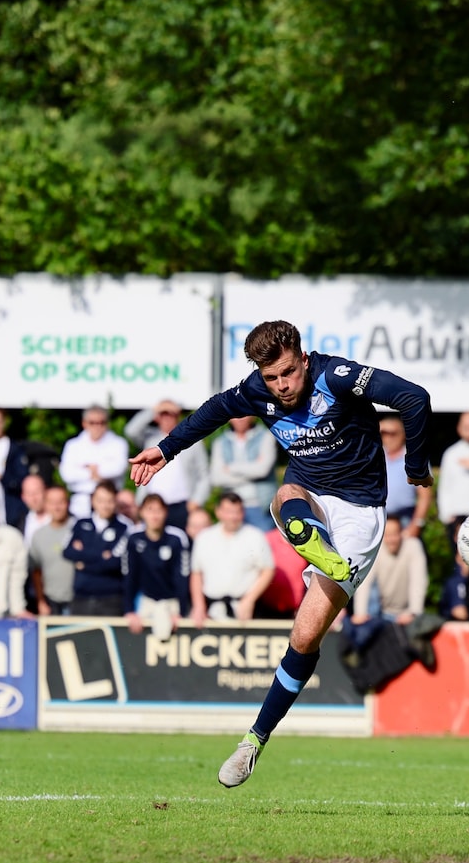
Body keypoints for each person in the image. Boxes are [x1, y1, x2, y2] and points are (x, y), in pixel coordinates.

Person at [131, 318, 431, 787]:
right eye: (272, 378)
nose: (282, 385)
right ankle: (249, 744)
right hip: (308, 493)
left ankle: (259, 733)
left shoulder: (338, 377)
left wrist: (414, 466)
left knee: (304, 638)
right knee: (283, 495)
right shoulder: (257, 390)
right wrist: (166, 450)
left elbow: (415, 398)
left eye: (288, 373)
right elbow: (213, 411)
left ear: (304, 359)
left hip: (358, 514)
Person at [189, 492, 275, 625]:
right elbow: (196, 574)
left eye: (238, 512)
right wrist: (198, 605)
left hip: (245, 611)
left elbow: (268, 570)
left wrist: (249, 600)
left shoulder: (255, 536)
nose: (234, 517)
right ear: (218, 512)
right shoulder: (204, 537)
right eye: (229, 512)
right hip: (210, 610)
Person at [126, 401, 209, 532]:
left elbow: (204, 474)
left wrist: (196, 501)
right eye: (163, 414)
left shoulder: (192, 440)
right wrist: (153, 410)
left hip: (182, 505)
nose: (167, 418)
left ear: (178, 416)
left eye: (171, 414)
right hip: (152, 504)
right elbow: (131, 430)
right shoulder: (150, 438)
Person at [348, 516, 430, 644]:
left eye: (395, 534)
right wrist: (360, 613)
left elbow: (418, 581)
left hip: (409, 615)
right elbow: (364, 581)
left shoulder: (413, 546)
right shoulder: (376, 548)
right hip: (384, 614)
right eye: (387, 535)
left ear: (402, 533)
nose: (391, 540)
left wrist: (414, 612)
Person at [122, 493, 192, 637]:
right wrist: (129, 611)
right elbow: (129, 576)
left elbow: (182, 578)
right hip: (146, 602)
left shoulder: (176, 539)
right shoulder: (134, 538)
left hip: (171, 603)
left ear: (165, 512)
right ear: (141, 512)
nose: (154, 516)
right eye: (150, 510)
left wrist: (181, 612)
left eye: (159, 510)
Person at [66, 481, 128, 616]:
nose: (105, 506)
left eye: (109, 501)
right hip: (81, 597)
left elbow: (114, 563)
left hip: (110, 599)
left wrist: (83, 558)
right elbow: (67, 552)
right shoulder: (81, 524)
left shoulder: (124, 528)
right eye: (100, 500)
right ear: (92, 501)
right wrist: (101, 555)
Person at [60, 405, 130, 519]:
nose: (97, 426)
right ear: (84, 423)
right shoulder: (73, 445)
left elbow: (119, 467)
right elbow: (67, 474)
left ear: (107, 423)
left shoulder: (118, 443)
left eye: (101, 422)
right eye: (92, 422)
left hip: (110, 504)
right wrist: (94, 472)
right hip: (80, 504)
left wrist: (87, 469)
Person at [210, 415, 278, 531]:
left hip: (261, 507)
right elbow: (216, 478)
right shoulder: (220, 442)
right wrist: (253, 471)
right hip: (232, 508)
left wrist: (230, 468)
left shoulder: (266, 436)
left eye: (244, 414)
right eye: (235, 415)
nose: (240, 418)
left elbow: (262, 470)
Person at [26, 483, 75, 615]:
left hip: (78, 601)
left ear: (67, 503)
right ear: (45, 505)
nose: (57, 507)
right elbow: (36, 571)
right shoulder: (39, 535)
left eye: (61, 502)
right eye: (52, 503)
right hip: (51, 602)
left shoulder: (79, 529)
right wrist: (41, 601)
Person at [378, 416, 430, 536]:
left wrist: (417, 524)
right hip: (380, 517)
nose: (388, 438)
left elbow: (425, 495)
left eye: (393, 433)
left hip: (405, 519)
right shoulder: (375, 456)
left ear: (403, 434)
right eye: (384, 433)